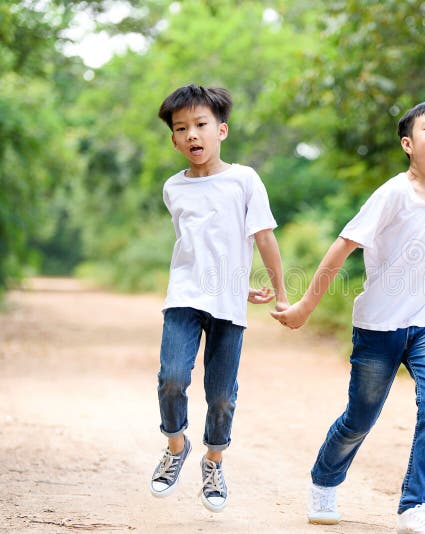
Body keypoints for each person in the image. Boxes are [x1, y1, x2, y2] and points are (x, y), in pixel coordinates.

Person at [271, 37, 425, 533]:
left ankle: (416, 505)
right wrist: (302, 305)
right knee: (361, 417)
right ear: (409, 144)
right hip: (379, 327)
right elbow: (342, 247)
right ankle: (324, 481)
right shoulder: (392, 194)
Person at [149, 84, 288, 513]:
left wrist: (279, 293)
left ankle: (213, 459)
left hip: (228, 304)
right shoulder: (173, 188)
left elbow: (262, 238)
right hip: (184, 296)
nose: (192, 135)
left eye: (201, 125)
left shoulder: (244, 179)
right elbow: (194, 245)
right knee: (172, 377)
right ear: (173, 139)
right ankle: (176, 446)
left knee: (222, 394)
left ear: (221, 130)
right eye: (182, 128)